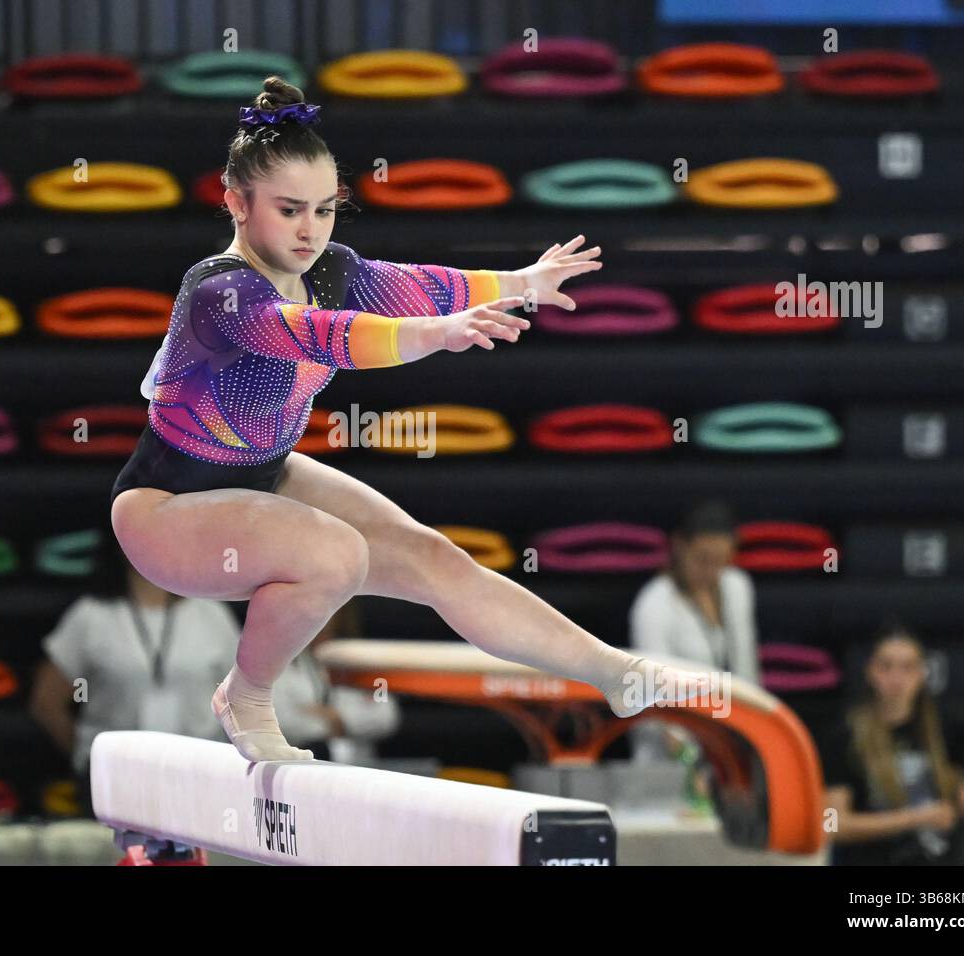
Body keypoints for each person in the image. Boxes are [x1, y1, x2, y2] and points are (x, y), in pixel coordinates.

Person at [110, 75, 712, 763]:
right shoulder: (218, 292)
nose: (310, 230)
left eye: (325, 210)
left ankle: (614, 674)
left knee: (435, 558)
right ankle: (245, 695)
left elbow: (420, 285)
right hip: (165, 510)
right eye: (288, 210)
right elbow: (325, 335)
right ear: (236, 202)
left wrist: (522, 283)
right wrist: (436, 335)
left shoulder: (332, 267)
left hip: (261, 476)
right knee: (337, 555)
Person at [28, 524, 242, 812]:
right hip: (116, 778)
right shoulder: (91, 615)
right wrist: (86, 756)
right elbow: (46, 701)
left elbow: (242, 699)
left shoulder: (211, 614)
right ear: (120, 544)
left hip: (198, 776)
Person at [820, 621, 964, 865]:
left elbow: (955, 782)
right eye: (886, 666)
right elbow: (832, 825)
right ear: (870, 671)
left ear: (922, 673)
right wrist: (915, 819)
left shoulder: (940, 726)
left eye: (908, 667)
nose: (896, 678)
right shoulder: (844, 735)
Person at [628, 501, 759, 763]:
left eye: (721, 561)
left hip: (729, 744)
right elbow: (657, 693)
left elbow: (747, 670)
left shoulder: (738, 587)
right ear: (679, 546)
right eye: (702, 560)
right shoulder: (654, 604)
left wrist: (751, 740)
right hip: (668, 754)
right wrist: (689, 758)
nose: (712, 571)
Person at [272, 598, 401, 763]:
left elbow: (386, 714)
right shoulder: (280, 665)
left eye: (329, 607)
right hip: (300, 766)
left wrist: (341, 720)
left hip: (360, 769)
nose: (319, 616)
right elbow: (281, 721)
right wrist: (330, 724)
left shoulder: (362, 664)